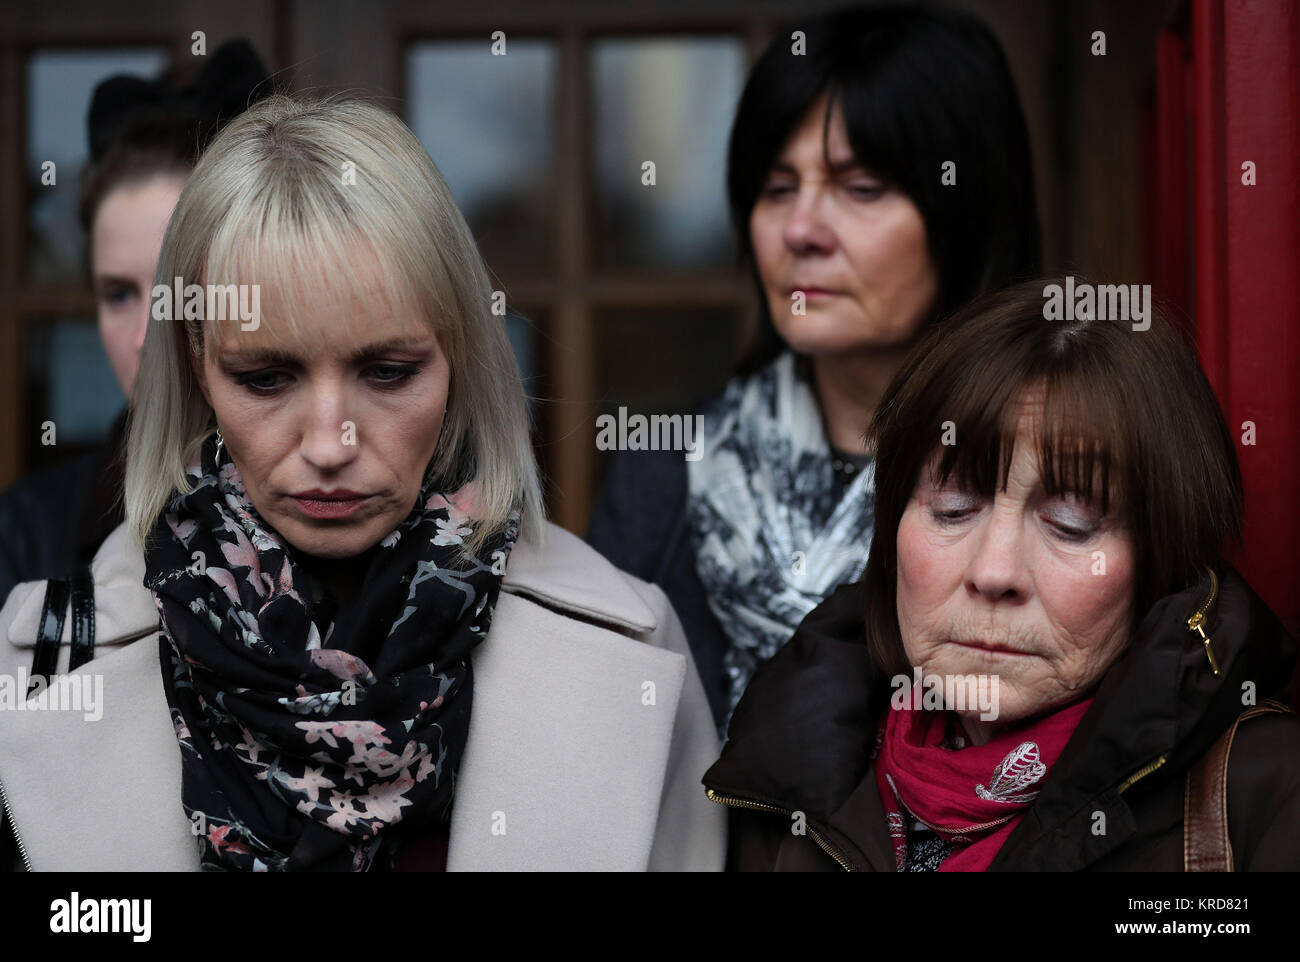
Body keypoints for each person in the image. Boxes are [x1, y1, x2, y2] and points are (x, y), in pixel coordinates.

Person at [0, 94, 724, 871]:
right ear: (195, 374)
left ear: (462, 363)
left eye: (386, 371)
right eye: (266, 377)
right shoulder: (48, 659)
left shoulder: (627, 642)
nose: (329, 442)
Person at [703, 279, 1300, 871]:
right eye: (953, 509)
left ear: (1158, 563)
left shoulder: (1266, 797)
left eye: (1070, 523)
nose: (994, 572)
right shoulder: (789, 779)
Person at [587, 3, 1041, 730]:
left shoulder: (1055, 475)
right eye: (777, 188)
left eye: (861, 189)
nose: (801, 231)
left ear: (968, 210)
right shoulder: (669, 475)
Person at [0, 39, 269, 602]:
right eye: (119, 294)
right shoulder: (25, 534)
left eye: (186, 288)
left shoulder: (349, 504)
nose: (149, 336)